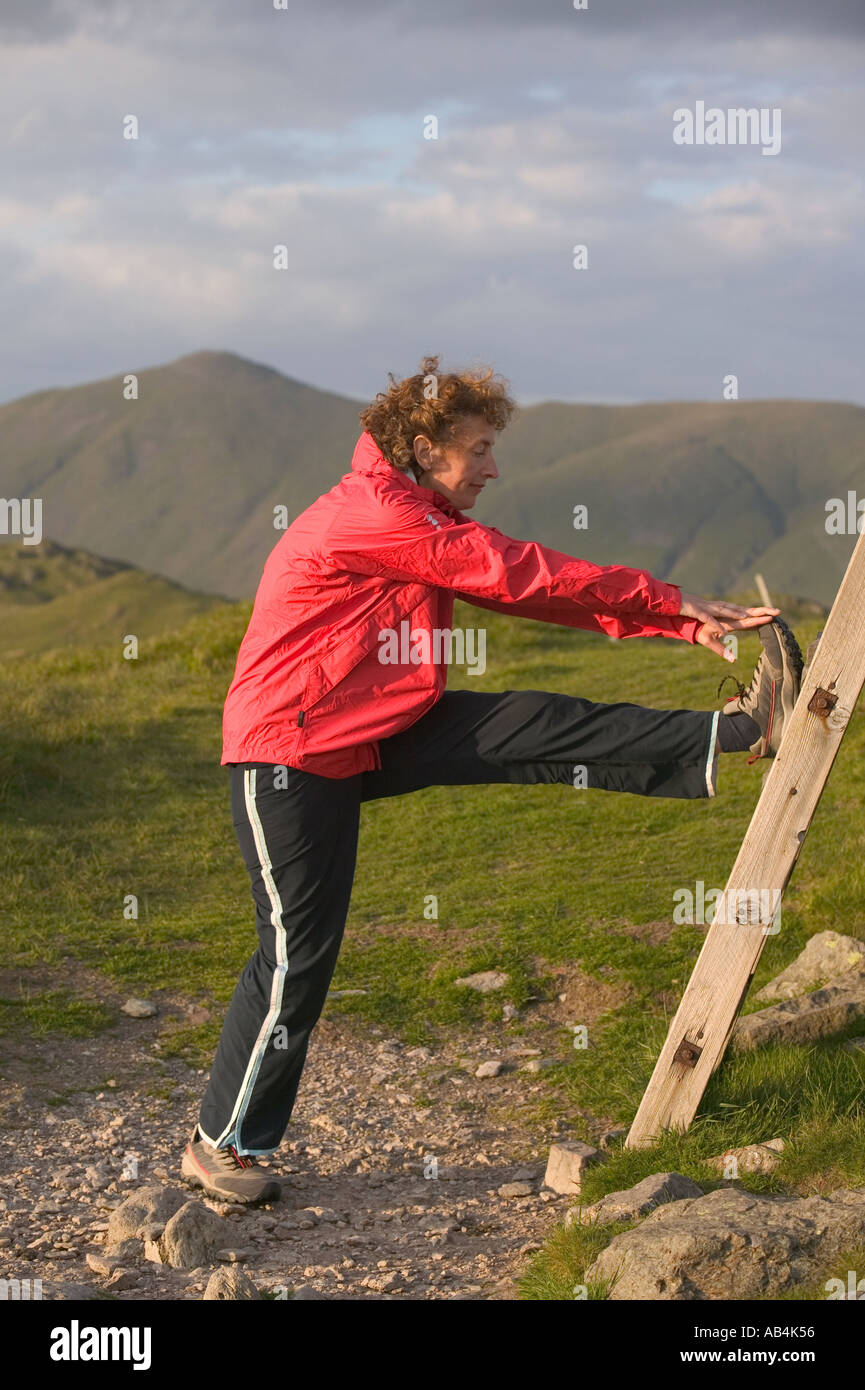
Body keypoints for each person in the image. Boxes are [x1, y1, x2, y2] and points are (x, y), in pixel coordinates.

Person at [180, 355, 803, 1203]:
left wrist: (672, 618)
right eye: (477, 447)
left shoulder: (408, 505)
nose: (491, 466)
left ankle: (739, 730)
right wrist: (669, 602)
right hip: (291, 748)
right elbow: (515, 573)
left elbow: (525, 591)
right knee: (296, 955)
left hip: (374, 722)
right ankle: (221, 1142)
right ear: (426, 444)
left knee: (532, 726)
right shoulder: (377, 513)